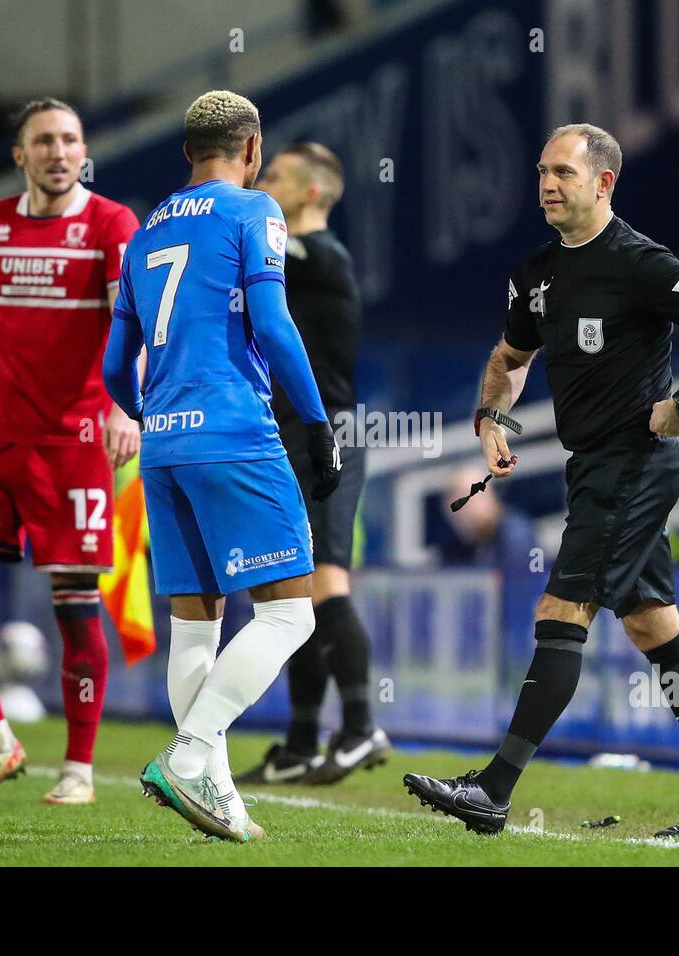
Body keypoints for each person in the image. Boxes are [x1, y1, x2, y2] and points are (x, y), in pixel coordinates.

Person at [402, 123, 679, 838]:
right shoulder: (537, 273)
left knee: (561, 611)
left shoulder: (639, 262)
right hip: (590, 466)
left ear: (603, 183)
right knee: (654, 626)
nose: (547, 183)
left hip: (633, 463)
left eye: (563, 173)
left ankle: (496, 788)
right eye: (543, 170)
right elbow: (509, 357)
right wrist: (490, 420)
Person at [103, 90, 341, 843]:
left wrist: (153, 419)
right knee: (288, 612)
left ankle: (219, 797)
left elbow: (115, 369)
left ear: (186, 152)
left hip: (165, 446)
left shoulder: (142, 235)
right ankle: (194, 750)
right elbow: (271, 323)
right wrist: (316, 420)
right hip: (234, 432)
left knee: (195, 630)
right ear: (253, 148)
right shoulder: (253, 212)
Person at [0, 98, 141, 807]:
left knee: (73, 607)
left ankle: (79, 770)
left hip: (73, 444)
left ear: (83, 150)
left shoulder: (110, 225)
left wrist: (125, 406)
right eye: (44, 140)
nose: (59, 151)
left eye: (71, 138)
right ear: (21, 155)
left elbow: (131, 326)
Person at [238, 142, 390, 786]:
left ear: (308, 194)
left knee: (326, 582)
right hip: (286, 435)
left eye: (272, 175)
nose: (260, 180)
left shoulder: (323, 257)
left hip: (328, 435)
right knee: (290, 590)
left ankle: (360, 729)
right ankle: (302, 741)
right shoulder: (292, 261)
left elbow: (268, 253)